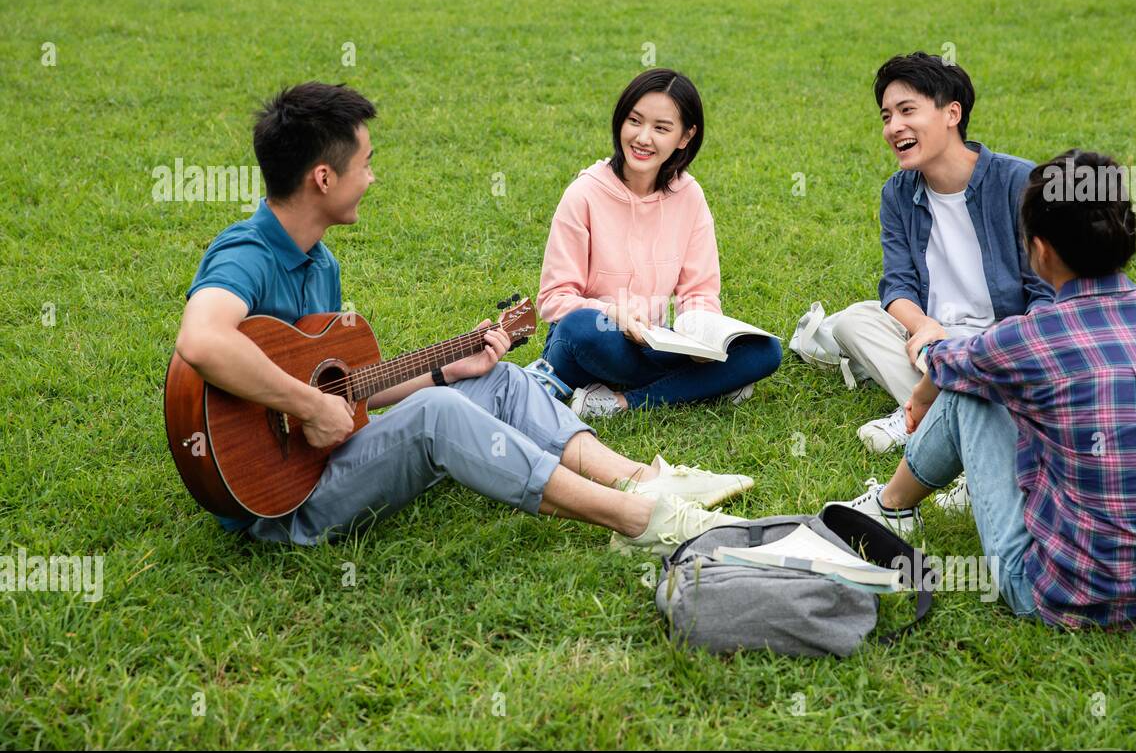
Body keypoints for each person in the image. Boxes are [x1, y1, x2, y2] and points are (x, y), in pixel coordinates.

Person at [173, 82, 755, 556]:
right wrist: (308, 406)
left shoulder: (317, 260)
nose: (372, 178)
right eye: (366, 164)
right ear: (323, 178)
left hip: (322, 461)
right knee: (436, 417)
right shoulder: (245, 252)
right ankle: (636, 519)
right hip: (281, 504)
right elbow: (202, 341)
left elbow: (348, 391)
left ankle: (641, 478)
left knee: (497, 379)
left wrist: (448, 370)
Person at [837, 150, 1136, 629]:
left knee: (967, 389)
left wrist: (919, 396)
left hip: (1060, 595)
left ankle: (891, 506)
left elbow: (947, 363)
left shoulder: (1030, 336)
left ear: (1038, 250)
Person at [832, 53, 1053, 515]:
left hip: (999, 340)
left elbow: (1045, 297)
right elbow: (896, 286)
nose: (894, 127)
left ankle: (932, 418)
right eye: (887, 116)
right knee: (853, 322)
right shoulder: (898, 193)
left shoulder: (1019, 182)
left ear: (952, 113)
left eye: (907, 111)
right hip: (931, 341)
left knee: (998, 352)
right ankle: (950, 411)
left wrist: (991, 345)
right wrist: (924, 327)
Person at [537, 68, 783, 420]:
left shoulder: (689, 196)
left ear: (685, 136)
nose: (642, 137)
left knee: (764, 351)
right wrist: (612, 313)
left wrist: (702, 338)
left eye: (661, 128)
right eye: (634, 121)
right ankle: (706, 384)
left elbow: (699, 292)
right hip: (594, 337)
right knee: (584, 329)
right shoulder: (584, 194)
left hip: (654, 341)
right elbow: (553, 300)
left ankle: (622, 402)